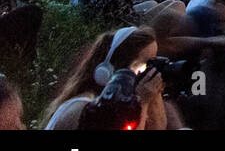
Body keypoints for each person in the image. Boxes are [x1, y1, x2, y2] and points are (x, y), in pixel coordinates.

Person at [44, 27, 173, 130]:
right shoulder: (85, 108)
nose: (147, 71)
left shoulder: (120, 103)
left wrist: (155, 88)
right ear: (111, 69)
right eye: (143, 65)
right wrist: (142, 102)